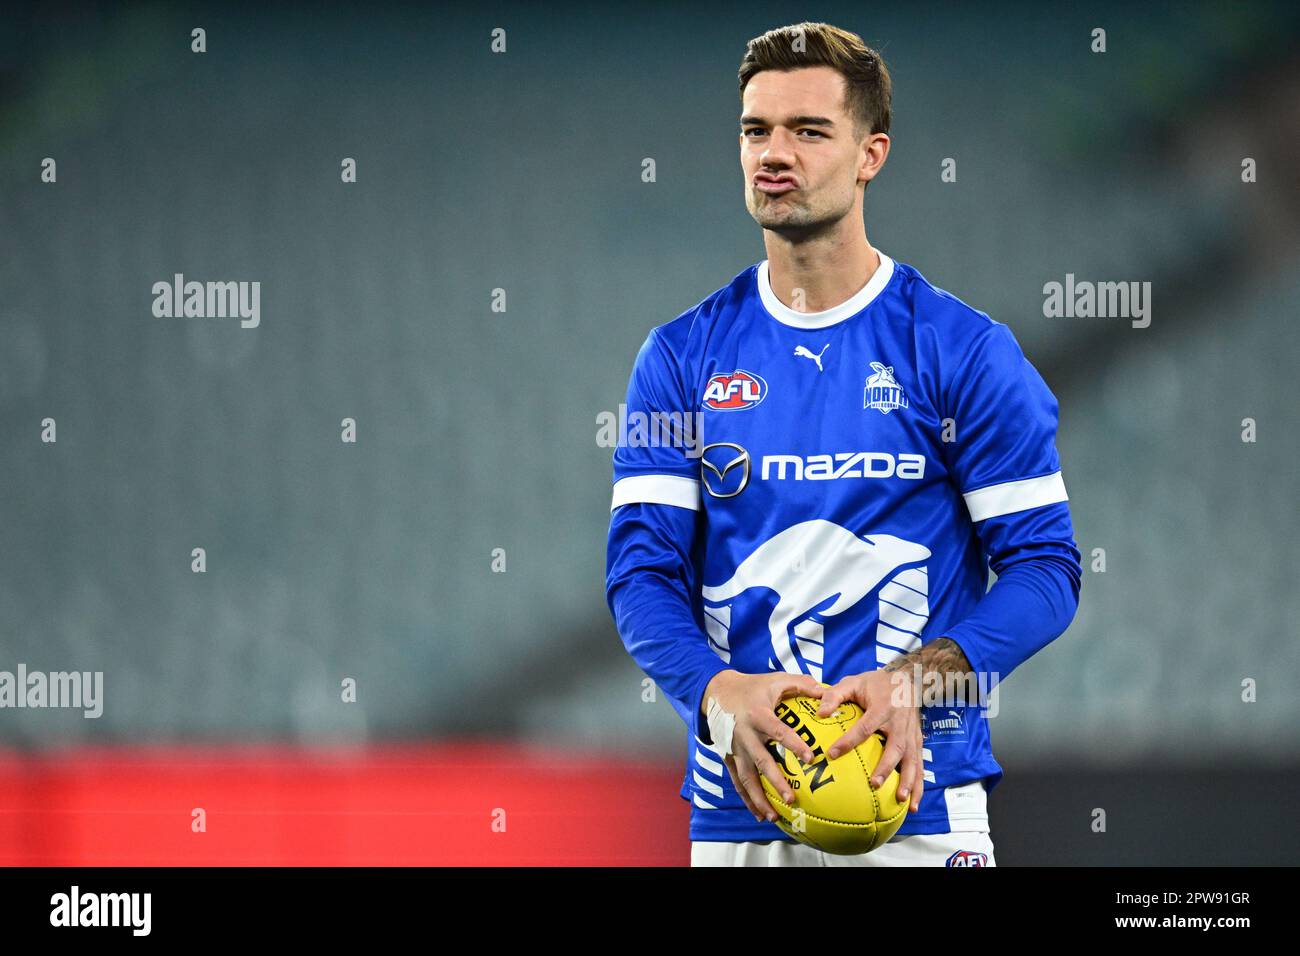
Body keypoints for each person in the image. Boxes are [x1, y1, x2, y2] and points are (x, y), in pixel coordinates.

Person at [605, 21, 1081, 867]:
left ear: (872, 154)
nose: (773, 153)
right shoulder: (677, 358)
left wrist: (915, 682)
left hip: (919, 802)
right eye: (756, 131)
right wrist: (716, 693)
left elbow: (1047, 570)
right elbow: (641, 579)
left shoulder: (963, 351)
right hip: (740, 804)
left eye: (808, 130)